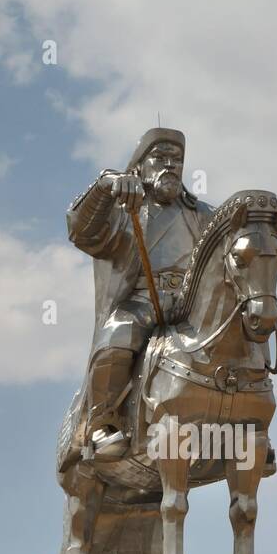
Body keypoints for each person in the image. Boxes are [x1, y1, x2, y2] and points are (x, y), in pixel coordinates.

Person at [66, 128, 213, 459]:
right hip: (142, 302)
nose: (170, 166)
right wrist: (106, 186)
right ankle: (102, 424)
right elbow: (79, 230)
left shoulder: (201, 214)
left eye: (177, 160)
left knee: (243, 327)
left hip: (193, 307)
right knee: (117, 335)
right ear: (141, 166)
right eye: (160, 158)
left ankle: (249, 425)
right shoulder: (124, 210)